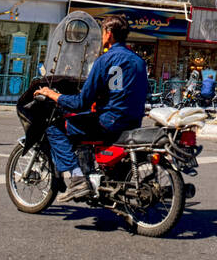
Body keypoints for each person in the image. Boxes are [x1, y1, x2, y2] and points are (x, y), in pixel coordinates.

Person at [34, 14, 148, 201]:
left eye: (103, 31)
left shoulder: (104, 60)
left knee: (54, 127)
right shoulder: (139, 62)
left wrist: (53, 94)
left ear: (109, 34)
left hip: (109, 123)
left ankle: (78, 179)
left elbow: (81, 102)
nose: (102, 36)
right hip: (133, 122)